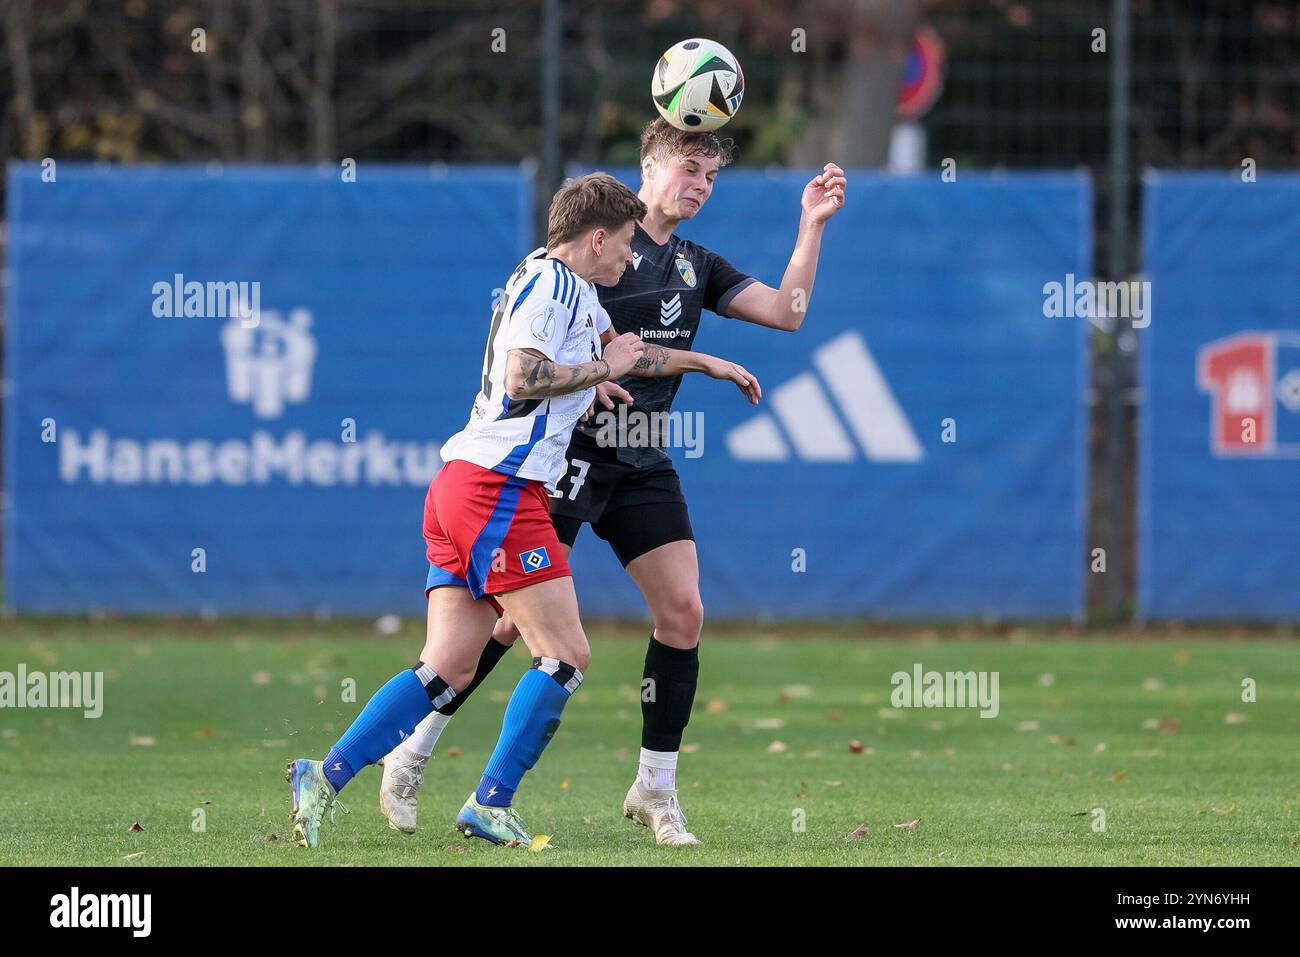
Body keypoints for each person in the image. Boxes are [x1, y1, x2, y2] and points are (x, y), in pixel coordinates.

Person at [381, 120, 846, 846]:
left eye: (712, 177)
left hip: (641, 458)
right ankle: (413, 751)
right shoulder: (597, 245)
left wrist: (811, 225)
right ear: (649, 165)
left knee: (684, 609)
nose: (699, 186)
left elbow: (787, 312)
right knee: (504, 625)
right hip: (560, 457)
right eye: (689, 168)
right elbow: (542, 344)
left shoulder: (698, 263)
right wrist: (641, 371)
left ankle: (655, 787)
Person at [287, 170, 762, 848]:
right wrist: (599, 376)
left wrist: (703, 363)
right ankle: (490, 800)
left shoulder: (549, 275)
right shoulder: (554, 286)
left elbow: (619, 352)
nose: (632, 259)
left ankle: (323, 773)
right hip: (500, 489)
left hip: (459, 482)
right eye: (625, 245)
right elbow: (523, 377)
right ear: (596, 238)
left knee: (448, 664)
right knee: (565, 655)